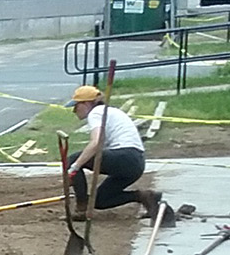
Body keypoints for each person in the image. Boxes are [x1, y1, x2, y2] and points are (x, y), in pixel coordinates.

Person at [66, 85, 161, 220]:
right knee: (100, 200)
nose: (74, 110)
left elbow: (96, 142)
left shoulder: (97, 112)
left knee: (72, 159)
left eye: (76, 106)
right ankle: (143, 196)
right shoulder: (108, 112)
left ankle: (82, 207)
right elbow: (101, 144)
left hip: (126, 156)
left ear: (86, 103)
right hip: (135, 163)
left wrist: (74, 168)